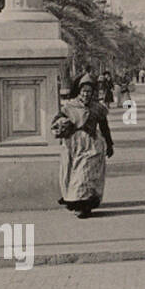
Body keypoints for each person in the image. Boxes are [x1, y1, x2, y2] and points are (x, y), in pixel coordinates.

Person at [53, 73, 114, 218]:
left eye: (89, 91)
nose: (86, 94)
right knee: (72, 173)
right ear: (79, 92)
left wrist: (110, 144)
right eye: (84, 91)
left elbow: (104, 126)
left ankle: (83, 205)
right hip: (73, 144)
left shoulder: (97, 108)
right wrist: (62, 124)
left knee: (85, 174)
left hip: (91, 144)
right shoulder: (70, 106)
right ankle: (74, 201)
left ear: (93, 93)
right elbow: (56, 121)